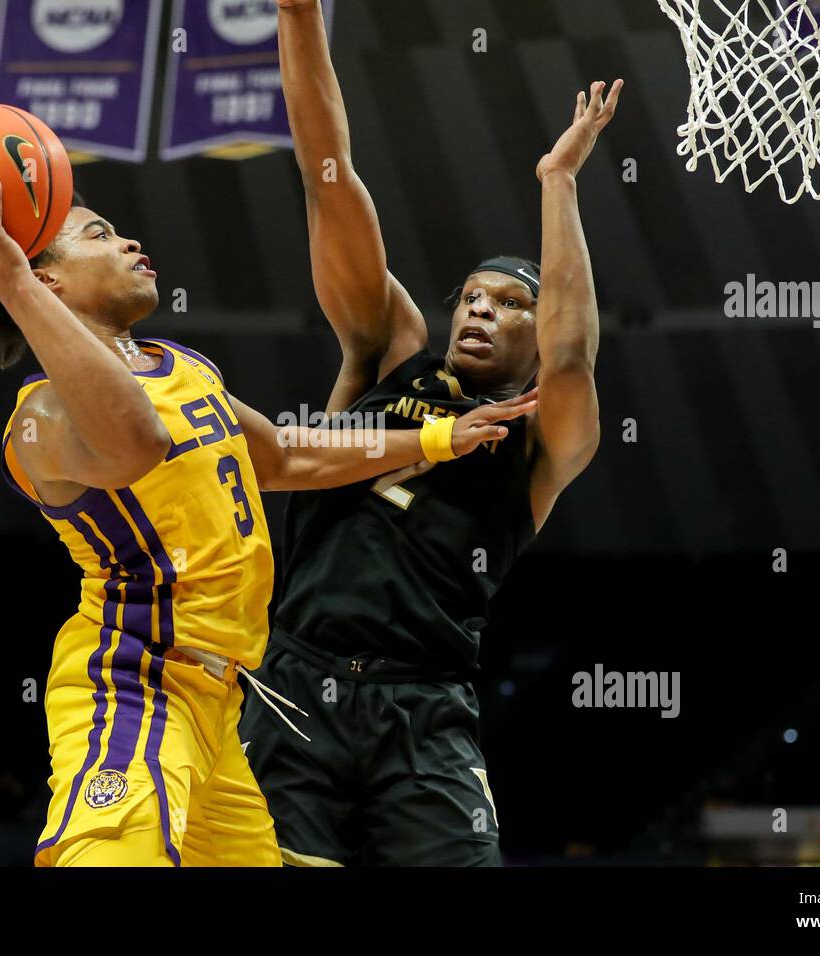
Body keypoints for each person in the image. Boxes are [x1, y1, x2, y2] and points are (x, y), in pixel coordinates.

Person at [0, 173, 536, 867]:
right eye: (99, 235)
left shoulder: (182, 367)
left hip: (220, 700)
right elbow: (135, 441)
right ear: (49, 284)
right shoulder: (41, 417)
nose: (128, 240)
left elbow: (286, 457)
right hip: (133, 688)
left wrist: (438, 439)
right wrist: (10, 283)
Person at [238, 0, 622, 866]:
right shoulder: (387, 355)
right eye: (473, 296)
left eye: (511, 302)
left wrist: (557, 184)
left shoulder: (542, 433)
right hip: (296, 682)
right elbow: (327, 172)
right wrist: (300, 16)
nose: (481, 307)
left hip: (425, 705)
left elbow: (571, 356)